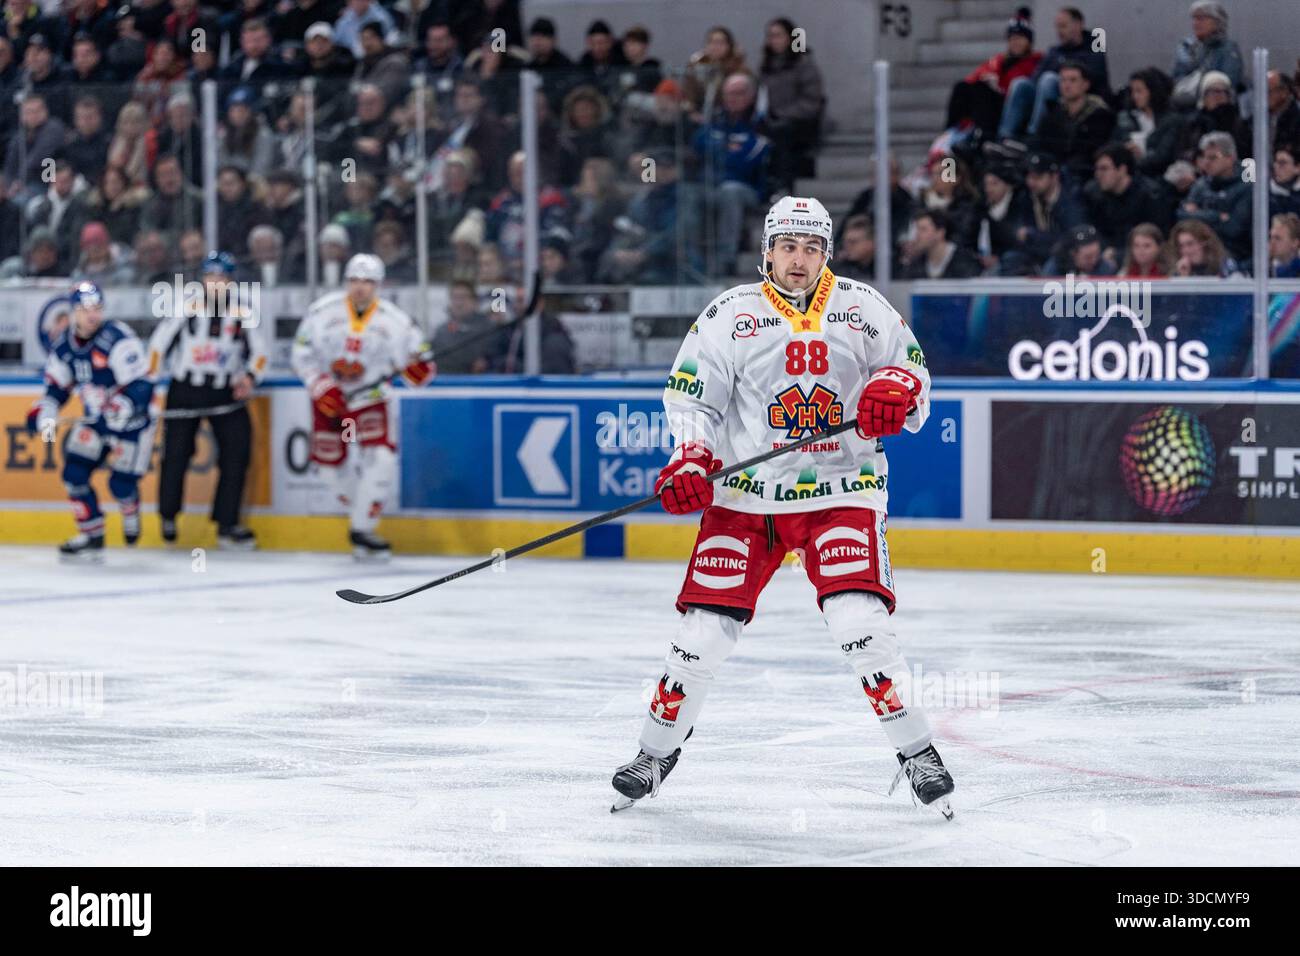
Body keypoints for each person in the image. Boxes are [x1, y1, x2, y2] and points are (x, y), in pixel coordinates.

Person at [610, 196, 954, 817]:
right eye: (788, 247)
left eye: (813, 248)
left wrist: (896, 390)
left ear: (828, 252)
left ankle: (917, 751)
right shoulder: (729, 315)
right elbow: (694, 400)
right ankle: (655, 751)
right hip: (745, 501)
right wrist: (692, 458)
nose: (800, 260)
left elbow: (915, 376)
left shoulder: (862, 307)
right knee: (701, 637)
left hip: (842, 490)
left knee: (861, 625)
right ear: (768, 249)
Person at [290, 254, 436, 559]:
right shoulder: (322, 312)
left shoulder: (396, 321)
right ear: (346, 282)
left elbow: (420, 365)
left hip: (370, 402)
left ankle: (361, 529)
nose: (360, 287)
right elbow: (301, 354)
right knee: (330, 469)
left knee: (381, 458)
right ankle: (363, 518)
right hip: (333, 405)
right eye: (354, 280)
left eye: (368, 282)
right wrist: (320, 386)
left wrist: (418, 370)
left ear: (379, 285)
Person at [25, 282, 155, 560]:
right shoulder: (63, 347)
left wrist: (126, 403)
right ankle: (91, 534)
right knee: (74, 473)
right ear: (72, 312)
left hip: (131, 425)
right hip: (97, 421)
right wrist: (45, 411)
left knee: (120, 485)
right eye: (85, 310)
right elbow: (56, 389)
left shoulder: (118, 338)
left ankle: (129, 506)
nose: (92, 315)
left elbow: (143, 384)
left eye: (97, 308)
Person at [147, 252, 267, 549]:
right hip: (185, 389)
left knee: (237, 453)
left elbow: (262, 353)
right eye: (210, 277)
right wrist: (148, 384)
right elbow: (158, 346)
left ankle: (227, 524)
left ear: (230, 281)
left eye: (221, 278)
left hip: (225, 392)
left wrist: (250, 377)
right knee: (175, 453)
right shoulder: (185, 308)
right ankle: (168, 515)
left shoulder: (243, 312)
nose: (215, 284)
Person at [901, 209, 982, 279]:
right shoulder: (916, 264)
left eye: (923, 229)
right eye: (917, 230)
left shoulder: (964, 261)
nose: (917, 235)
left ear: (940, 232)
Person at [1268, 213, 1300, 278]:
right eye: (1271, 237)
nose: (1272, 242)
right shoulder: (1256, 270)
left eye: (1278, 238)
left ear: (1295, 243)